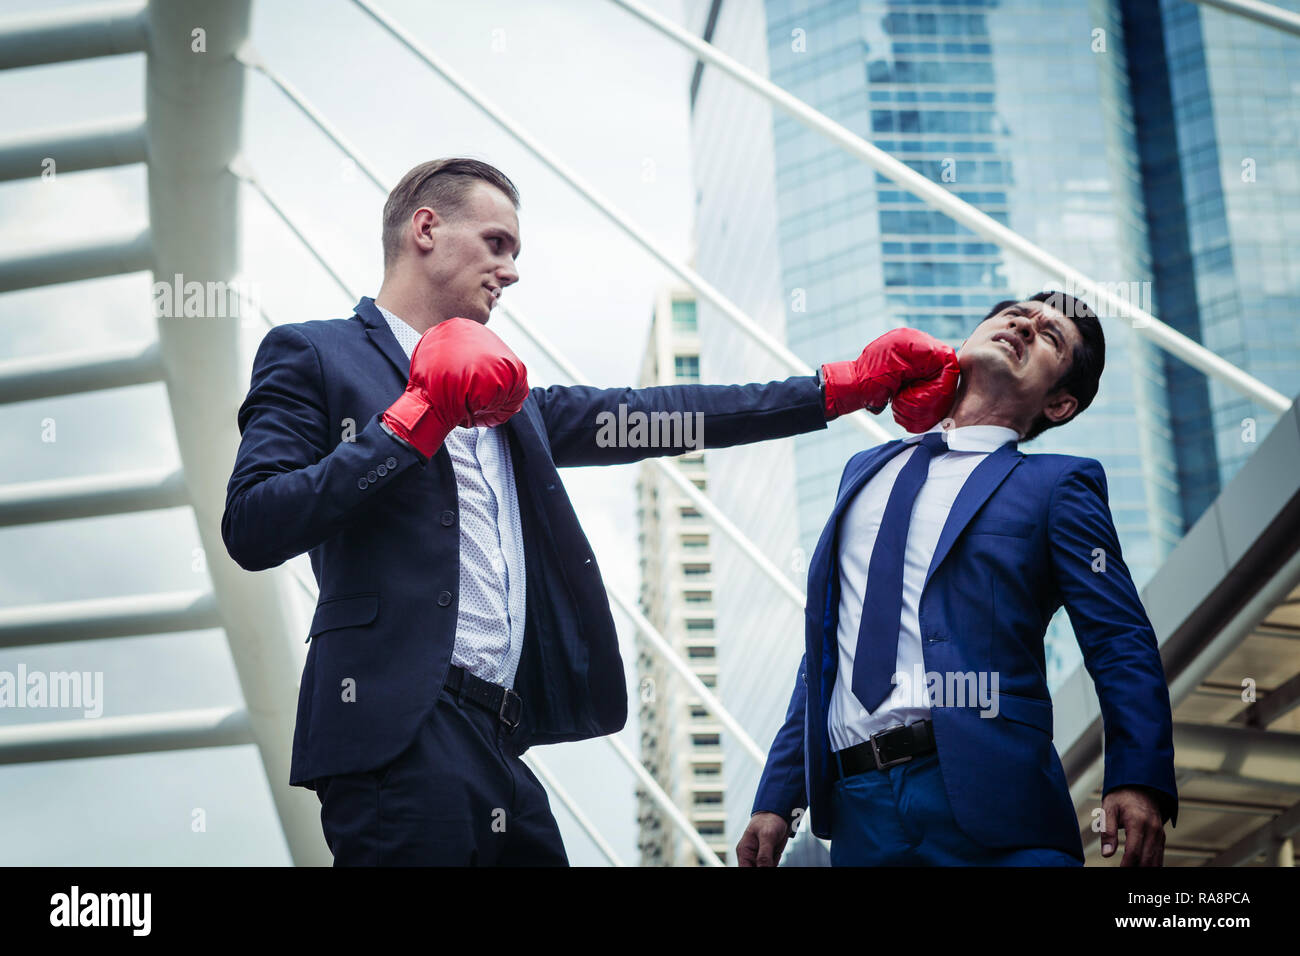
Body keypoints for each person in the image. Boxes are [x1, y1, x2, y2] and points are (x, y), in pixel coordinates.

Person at [220, 157, 961, 865]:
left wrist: (845, 387)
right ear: (425, 230)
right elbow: (254, 524)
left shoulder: (512, 405)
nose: (511, 269)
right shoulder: (312, 355)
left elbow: (666, 414)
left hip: (502, 742)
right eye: (496, 243)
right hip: (397, 735)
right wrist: (414, 420)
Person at [739, 291, 1178, 868]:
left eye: (1051, 337)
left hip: (996, 808)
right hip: (858, 816)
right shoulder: (863, 472)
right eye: (1015, 314)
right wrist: (777, 799)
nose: (1026, 324)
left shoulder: (1058, 486)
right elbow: (827, 650)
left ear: (1061, 405)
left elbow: (1119, 637)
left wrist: (1139, 776)